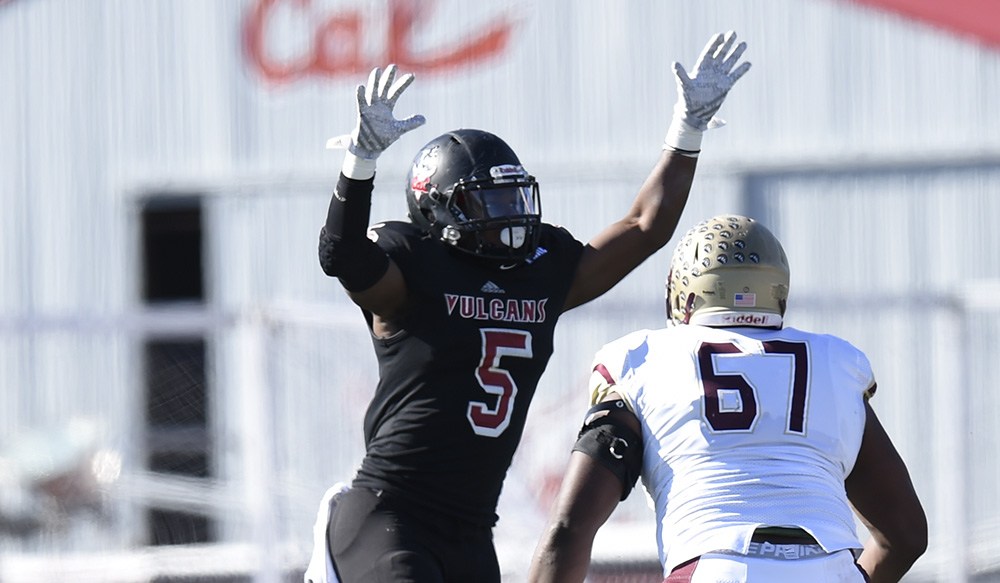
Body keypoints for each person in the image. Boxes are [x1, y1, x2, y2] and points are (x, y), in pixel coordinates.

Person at [309, 31, 751, 583]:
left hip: (471, 531)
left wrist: (688, 130)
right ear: (437, 212)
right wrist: (360, 163)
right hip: (390, 515)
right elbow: (342, 254)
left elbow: (644, 227)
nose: (510, 216)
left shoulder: (537, 276)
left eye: (514, 197)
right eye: (487, 201)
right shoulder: (413, 272)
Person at [527, 215, 928, 583]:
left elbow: (570, 528)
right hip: (830, 565)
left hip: (714, 566)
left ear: (684, 294)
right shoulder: (835, 363)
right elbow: (905, 535)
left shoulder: (641, 359)